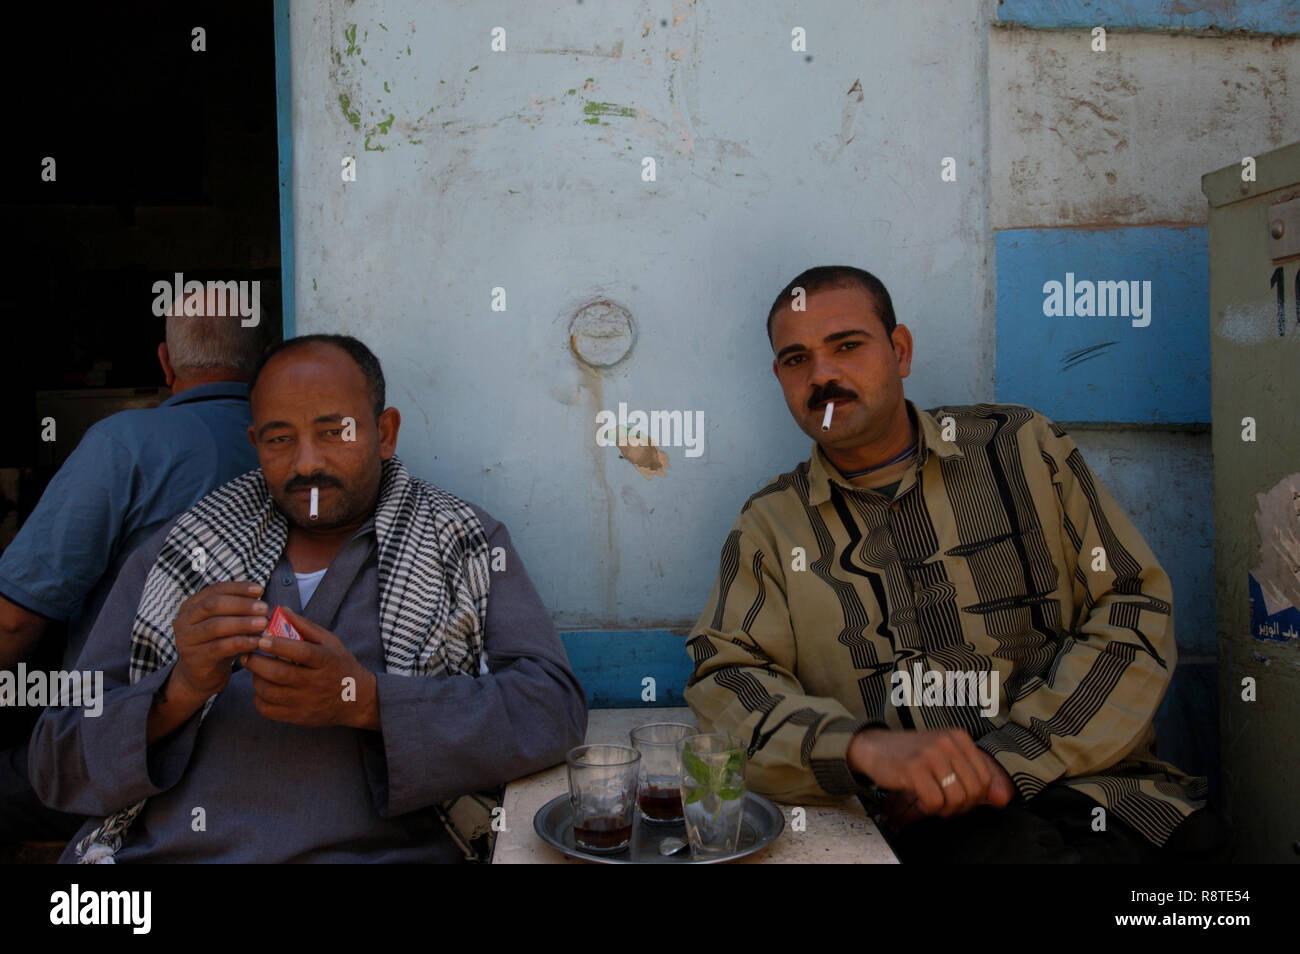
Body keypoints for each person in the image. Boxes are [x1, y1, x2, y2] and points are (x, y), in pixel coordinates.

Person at [683, 266, 1230, 863]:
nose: (823, 376)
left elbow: (1133, 604)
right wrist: (859, 749)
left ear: (900, 350)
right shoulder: (770, 524)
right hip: (922, 827)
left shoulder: (1020, 448)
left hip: (1100, 790)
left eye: (846, 345)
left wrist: (1006, 759)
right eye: (796, 359)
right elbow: (727, 676)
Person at [29, 334, 587, 862]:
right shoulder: (181, 552)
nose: (306, 463)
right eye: (279, 439)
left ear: (385, 432)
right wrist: (178, 691)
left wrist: (367, 701)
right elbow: (55, 762)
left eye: (334, 431)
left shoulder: (462, 543)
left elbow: (551, 710)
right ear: (255, 444)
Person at [0, 290, 263, 844]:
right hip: (263, 748)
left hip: (128, 748)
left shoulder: (123, 443)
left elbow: (14, 622)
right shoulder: (290, 451)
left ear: (165, 361)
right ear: (263, 359)